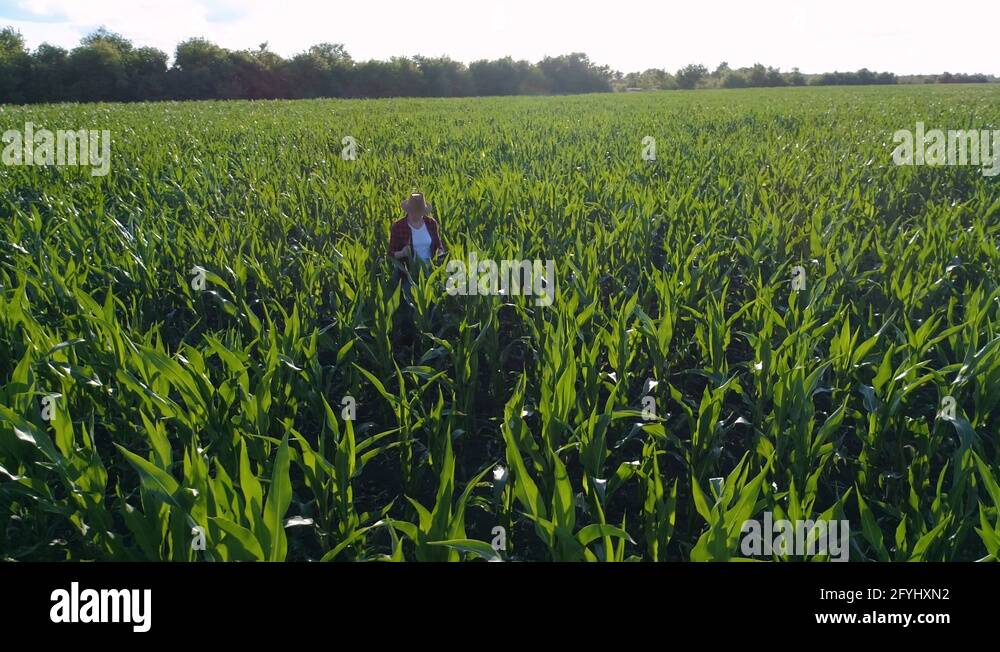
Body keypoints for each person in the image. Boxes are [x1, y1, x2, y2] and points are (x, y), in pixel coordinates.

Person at [387, 192, 445, 282]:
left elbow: (439, 246)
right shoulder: (398, 226)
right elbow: (390, 253)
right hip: (409, 274)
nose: (416, 214)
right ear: (408, 210)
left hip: (430, 270)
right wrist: (402, 253)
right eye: (413, 212)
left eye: (419, 212)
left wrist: (440, 253)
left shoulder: (431, 223)